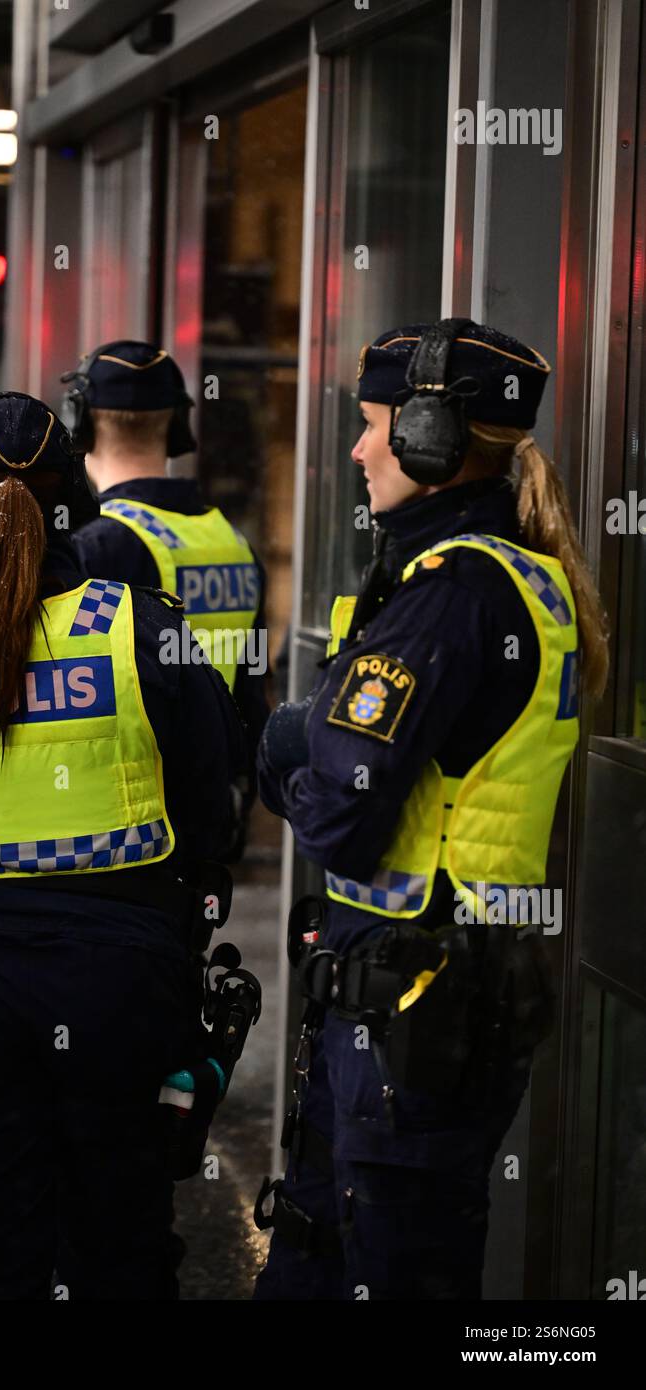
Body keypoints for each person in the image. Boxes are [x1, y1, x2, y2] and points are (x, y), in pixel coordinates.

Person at [0, 390, 247, 1299]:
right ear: (78, 500)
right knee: (121, 1251)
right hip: (120, 992)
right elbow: (211, 808)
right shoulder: (148, 629)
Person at [253, 319, 608, 1300]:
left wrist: (280, 751)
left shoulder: (453, 595)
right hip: (432, 995)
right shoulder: (496, 576)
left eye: (373, 426)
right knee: (331, 1250)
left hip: (414, 1004)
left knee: (389, 1267)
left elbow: (342, 818)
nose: (358, 451)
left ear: (428, 439)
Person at [63, 342, 270, 851]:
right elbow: (251, 691)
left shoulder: (94, 549)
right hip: (209, 812)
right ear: (176, 424)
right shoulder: (233, 542)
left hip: (121, 823)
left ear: (80, 423)